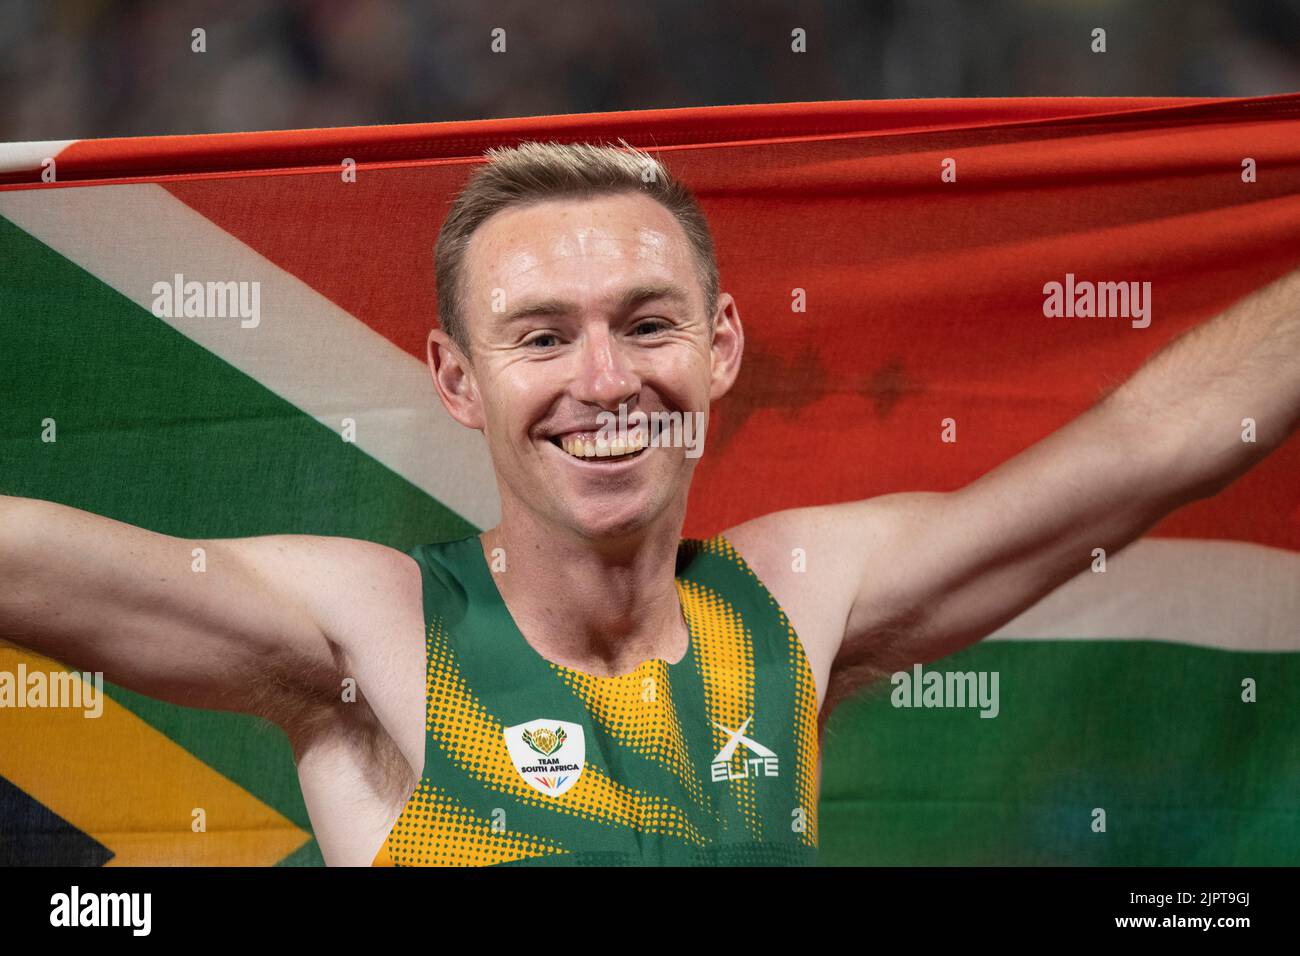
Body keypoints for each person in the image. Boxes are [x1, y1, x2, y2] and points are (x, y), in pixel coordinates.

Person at [2, 141, 1297, 866]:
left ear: (722, 345)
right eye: (542, 336)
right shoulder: (373, 633)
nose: (606, 381)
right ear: (457, 378)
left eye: (647, 322)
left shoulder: (795, 599)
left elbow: (1153, 443)